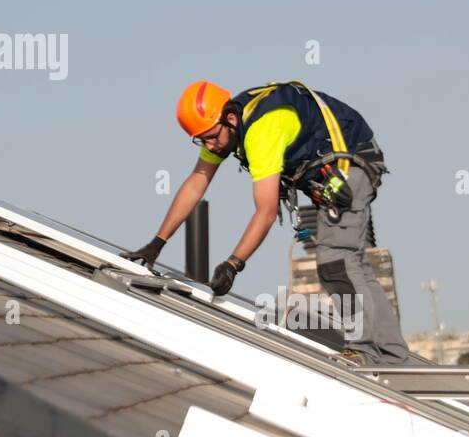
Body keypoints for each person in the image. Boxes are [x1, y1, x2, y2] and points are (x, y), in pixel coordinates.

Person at [122, 80, 411, 365]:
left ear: (230, 118)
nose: (210, 145)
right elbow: (196, 183)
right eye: (202, 140)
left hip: (353, 163)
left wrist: (234, 263)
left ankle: (364, 350)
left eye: (211, 136)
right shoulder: (226, 128)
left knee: (335, 261)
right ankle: (392, 354)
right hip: (345, 163)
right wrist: (156, 244)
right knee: (352, 264)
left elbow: (266, 212)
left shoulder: (261, 130)